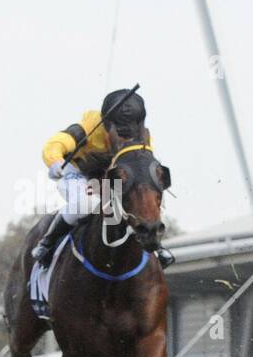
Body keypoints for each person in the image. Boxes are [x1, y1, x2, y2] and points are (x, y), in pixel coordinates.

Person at [33, 88, 173, 267]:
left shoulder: (143, 137)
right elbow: (56, 143)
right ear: (107, 125)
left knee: (139, 200)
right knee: (87, 203)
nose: (126, 139)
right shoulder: (89, 128)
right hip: (78, 173)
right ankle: (48, 242)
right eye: (121, 133)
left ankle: (156, 246)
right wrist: (54, 160)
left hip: (111, 177)